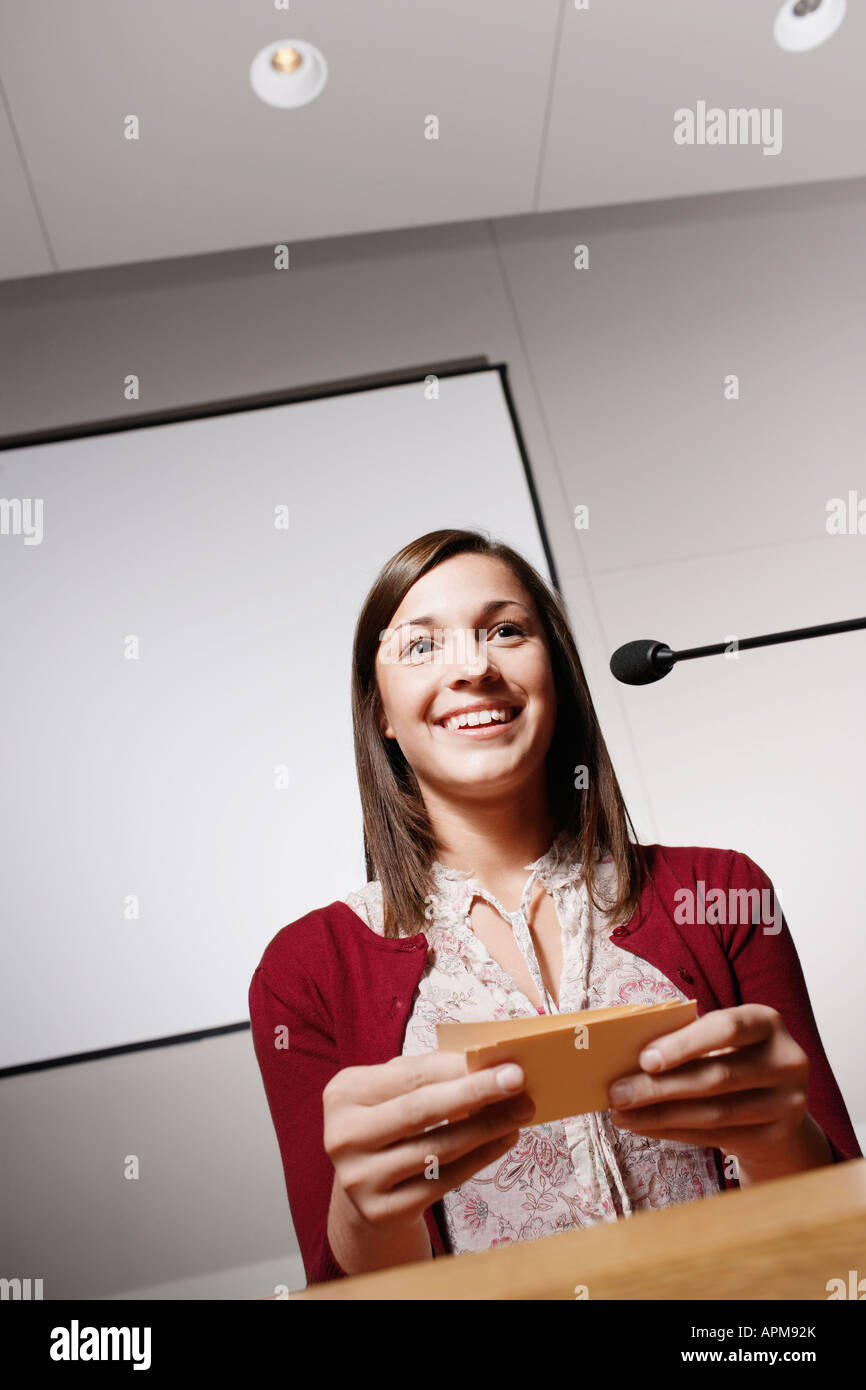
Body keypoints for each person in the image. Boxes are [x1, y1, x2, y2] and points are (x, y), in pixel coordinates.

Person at [249, 527, 861, 1285]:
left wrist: (780, 1137)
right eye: (420, 646)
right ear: (381, 714)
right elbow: (344, 1293)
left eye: (506, 631)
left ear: (557, 675)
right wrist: (366, 1213)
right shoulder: (305, 971)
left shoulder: (724, 894)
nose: (473, 666)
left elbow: (844, 1246)